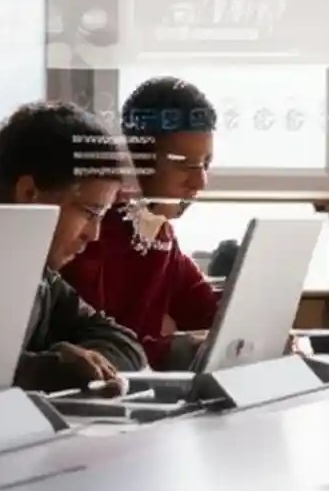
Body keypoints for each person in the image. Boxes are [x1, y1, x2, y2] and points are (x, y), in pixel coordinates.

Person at [0, 102, 150, 388]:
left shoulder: (36, 270)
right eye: (89, 212)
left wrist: (91, 362)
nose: (94, 235)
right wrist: (46, 369)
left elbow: (125, 343)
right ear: (29, 192)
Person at [61, 76, 219, 370]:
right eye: (185, 164)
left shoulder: (158, 232)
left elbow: (207, 311)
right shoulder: (90, 237)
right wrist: (180, 349)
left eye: (205, 164)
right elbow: (103, 350)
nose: (200, 182)